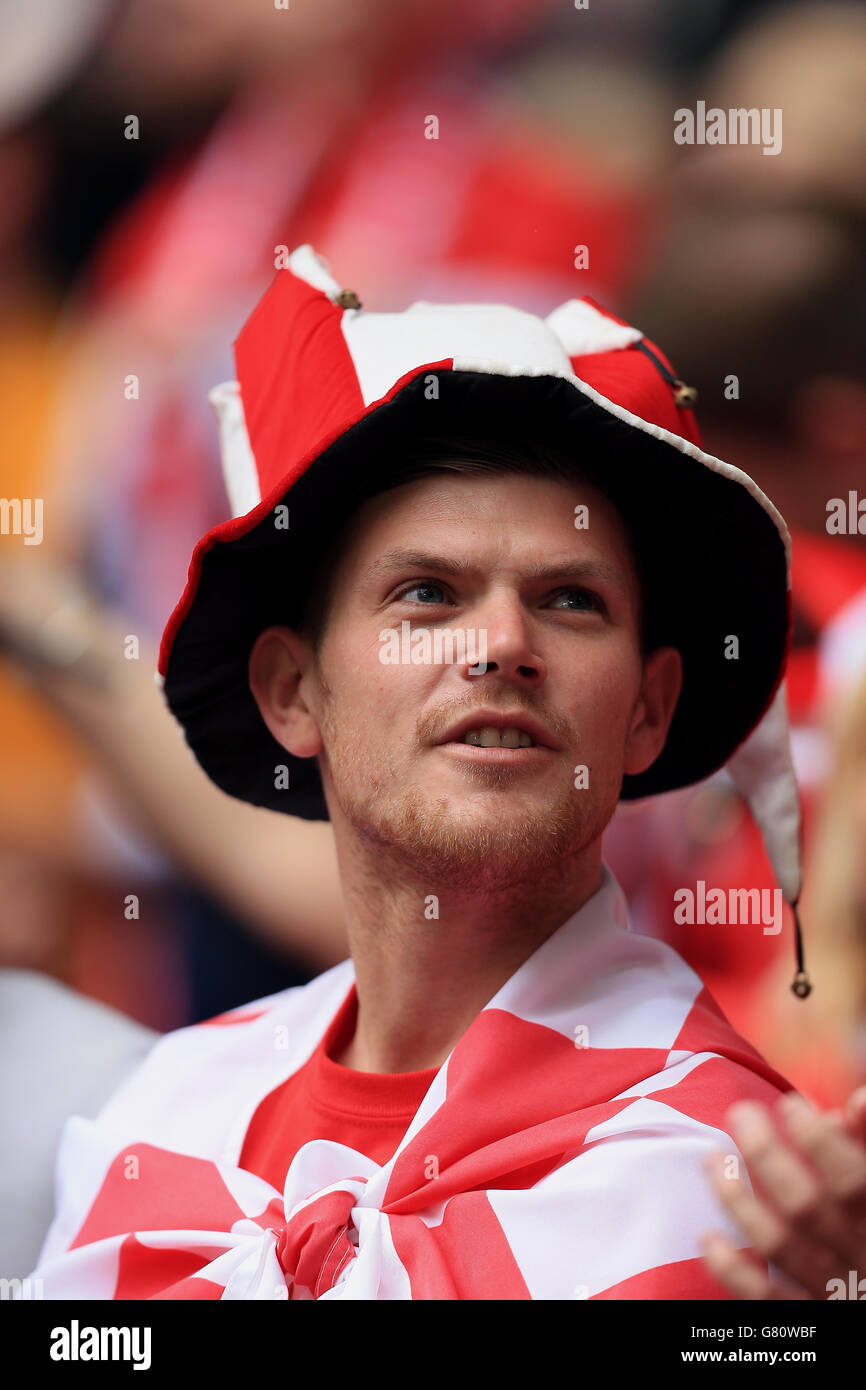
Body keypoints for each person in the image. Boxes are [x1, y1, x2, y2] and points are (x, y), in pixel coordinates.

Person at [25, 246, 810, 1300]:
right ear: (292, 691)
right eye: (427, 593)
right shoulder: (157, 1113)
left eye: (570, 599)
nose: (499, 643)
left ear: (647, 709)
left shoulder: (734, 1190)